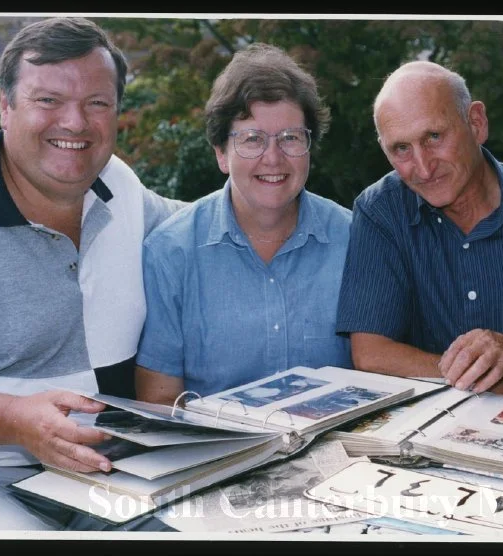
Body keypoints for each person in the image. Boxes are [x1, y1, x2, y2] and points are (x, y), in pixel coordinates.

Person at [0, 18, 184, 531]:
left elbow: (200, 229)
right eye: (48, 100)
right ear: (5, 106)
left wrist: (270, 187)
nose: (75, 123)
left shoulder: (120, 189)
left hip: (107, 471)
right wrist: (12, 420)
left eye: (97, 103)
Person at [335, 61, 503, 407]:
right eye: (401, 149)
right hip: (430, 429)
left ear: (476, 123)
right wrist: (495, 384)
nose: (423, 167)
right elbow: (371, 354)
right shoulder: (381, 211)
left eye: (434, 137)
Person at [135, 44, 352, 404]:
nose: (273, 157)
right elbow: (159, 406)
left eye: (290, 138)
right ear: (221, 153)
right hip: (220, 455)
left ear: (309, 147)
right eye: (252, 139)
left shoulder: (354, 240)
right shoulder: (170, 253)